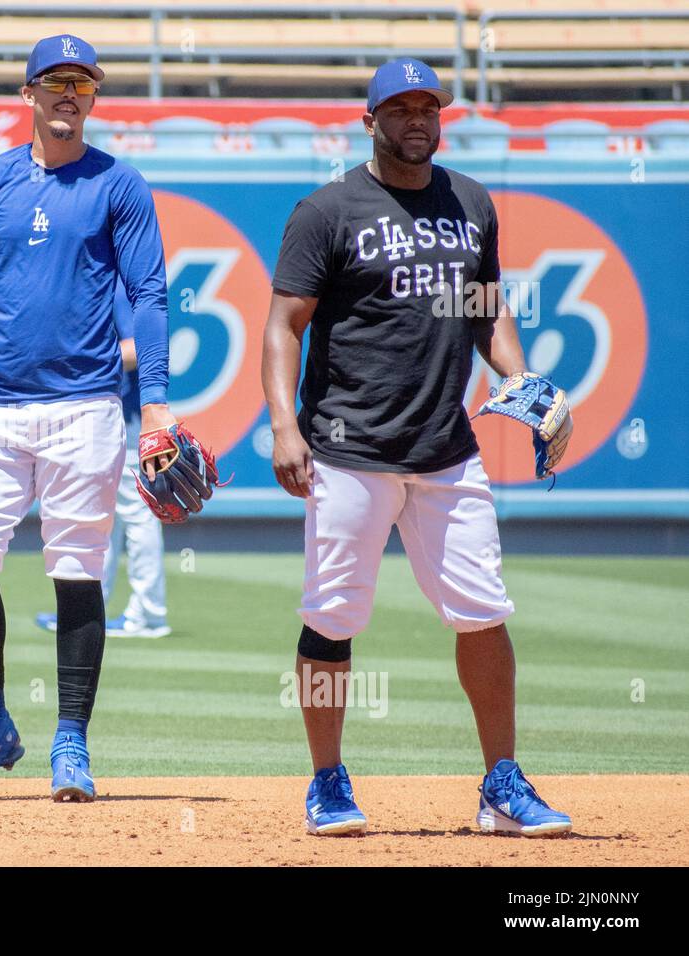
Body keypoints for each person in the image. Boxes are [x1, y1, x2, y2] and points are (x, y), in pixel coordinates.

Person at [261, 58, 573, 838]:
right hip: (346, 447)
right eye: (398, 108)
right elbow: (282, 327)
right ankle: (327, 781)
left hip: (446, 448)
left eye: (426, 106)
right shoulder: (327, 211)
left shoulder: (469, 202)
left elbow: (485, 308)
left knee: (483, 615)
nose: (416, 120)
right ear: (370, 121)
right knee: (331, 619)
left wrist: (523, 378)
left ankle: (501, 782)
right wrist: (283, 424)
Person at [0, 35, 176, 803]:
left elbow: (151, 294)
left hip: (86, 407)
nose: (69, 93)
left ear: (95, 97)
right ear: (27, 92)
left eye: (83, 83)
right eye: (55, 81)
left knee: (75, 571)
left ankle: (71, 737)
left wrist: (157, 406)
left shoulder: (119, 185)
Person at [35, 283, 170, 639]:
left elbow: (140, 347)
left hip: (123, 415)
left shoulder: (118, 287)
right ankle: (93, 608)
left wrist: (82, 364)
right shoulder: (104, 281)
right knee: (105, 515)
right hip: (111, 412)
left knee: (136, 512)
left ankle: (148, 613)